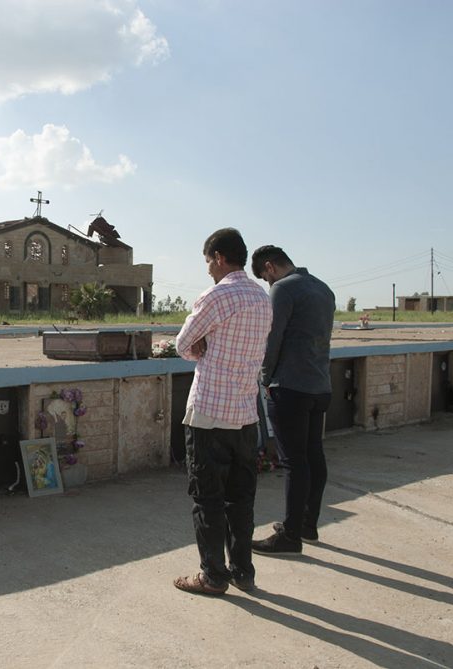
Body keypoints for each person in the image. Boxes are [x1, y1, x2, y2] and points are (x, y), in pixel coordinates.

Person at [172, 228, 272, 596]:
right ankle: (243, 571)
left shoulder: (216, 296)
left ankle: (214, 575)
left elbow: (183, 345)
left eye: (208, 262)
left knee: (207, 499)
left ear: (218, 257)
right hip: (246, 413)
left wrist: (203, 345)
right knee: (241, 499)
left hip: (210, 413)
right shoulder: (262, 298)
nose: (208, 270)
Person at [249, 245, 335, 555]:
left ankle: (290, 536)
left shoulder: (283, 290)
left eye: (264, 278)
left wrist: (265, 378)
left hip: (290, 387)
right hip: (319, 386)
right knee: (313, 455)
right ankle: (307, 524)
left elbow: (273, 341)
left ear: (269, 267)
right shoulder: (324, 289)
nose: (267, 284)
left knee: (293, 462)